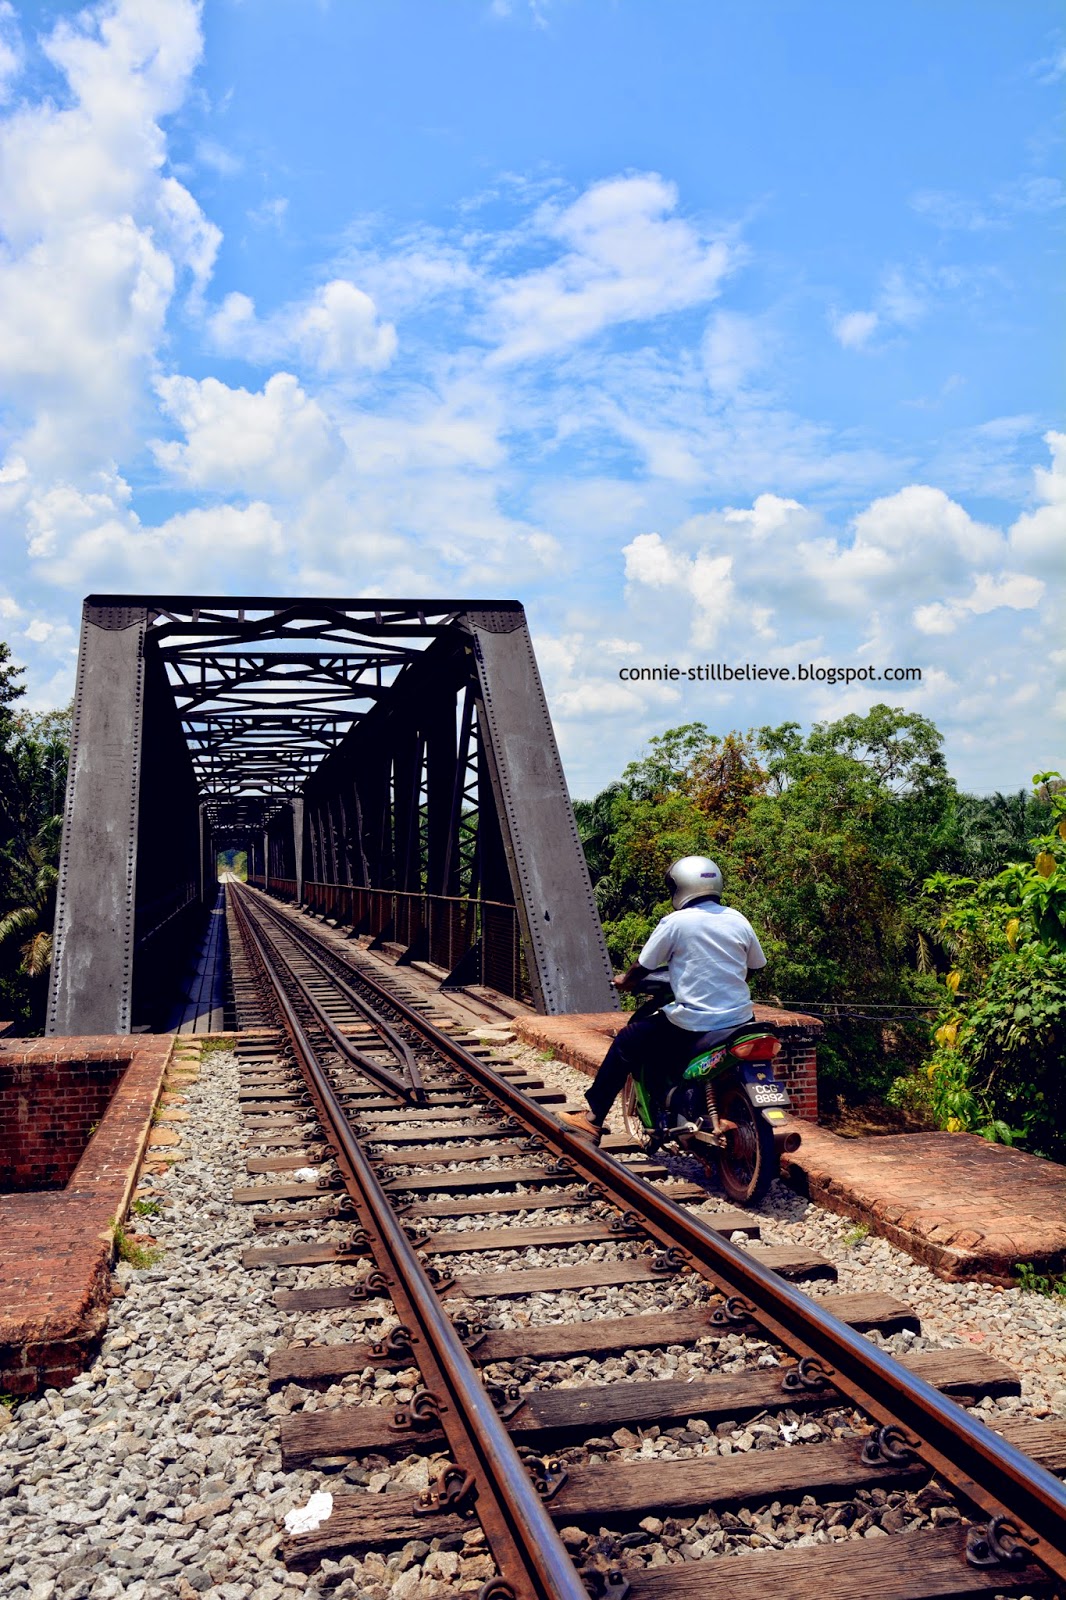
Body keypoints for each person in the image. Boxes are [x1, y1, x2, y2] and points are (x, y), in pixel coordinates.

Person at [558, 856, 766, 1143]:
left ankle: (593, 1118)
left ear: (680, 887)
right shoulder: (738, 918)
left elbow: (642, 966)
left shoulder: (675, 922)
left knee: (627, 1040)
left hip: (694, 1022)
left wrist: (625, 982)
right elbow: (755, 966)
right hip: (740, 1020)